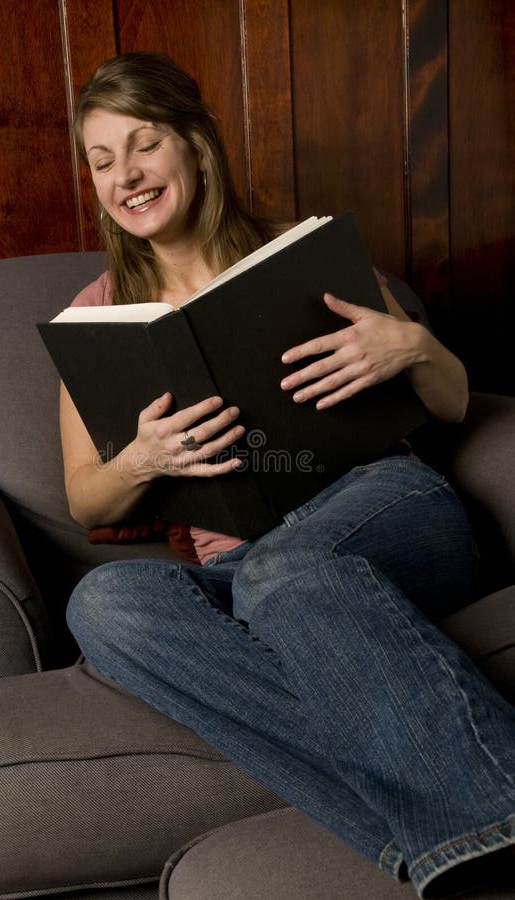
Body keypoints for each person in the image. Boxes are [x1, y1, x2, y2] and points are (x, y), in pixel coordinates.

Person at [63, 52, 514, 898]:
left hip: (384, 504)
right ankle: (459, 821)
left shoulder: (300, 253)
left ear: (195, 146)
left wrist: (412, 346)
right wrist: (140, 458)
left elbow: (453, 403)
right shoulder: (99, 314)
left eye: (144, 144)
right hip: (240, 565)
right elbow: (85, 494)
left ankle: (494, 808)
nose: (125, 175)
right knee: (102, 603)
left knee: (285, 568)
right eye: (101, 160)